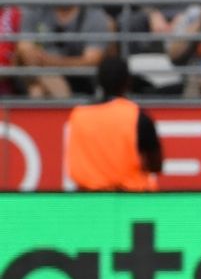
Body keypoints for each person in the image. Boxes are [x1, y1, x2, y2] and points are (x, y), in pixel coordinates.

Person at [15, 0, 112, 99]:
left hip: (81, 80)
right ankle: (62, 104)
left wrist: (52, 62)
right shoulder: (35, 10)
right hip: (40, 74)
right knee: (36, 85)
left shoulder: (93, 15)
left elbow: (91, 61)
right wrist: (47, 65)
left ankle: (62, 102)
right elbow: (25, 49)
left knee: (38, 91)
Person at [66, 56, 163, 192]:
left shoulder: (78, 115)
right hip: (132, 199)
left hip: (88, 198)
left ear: (98, 81)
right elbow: (156, 165)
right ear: (127, 82)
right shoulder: (138, 116)